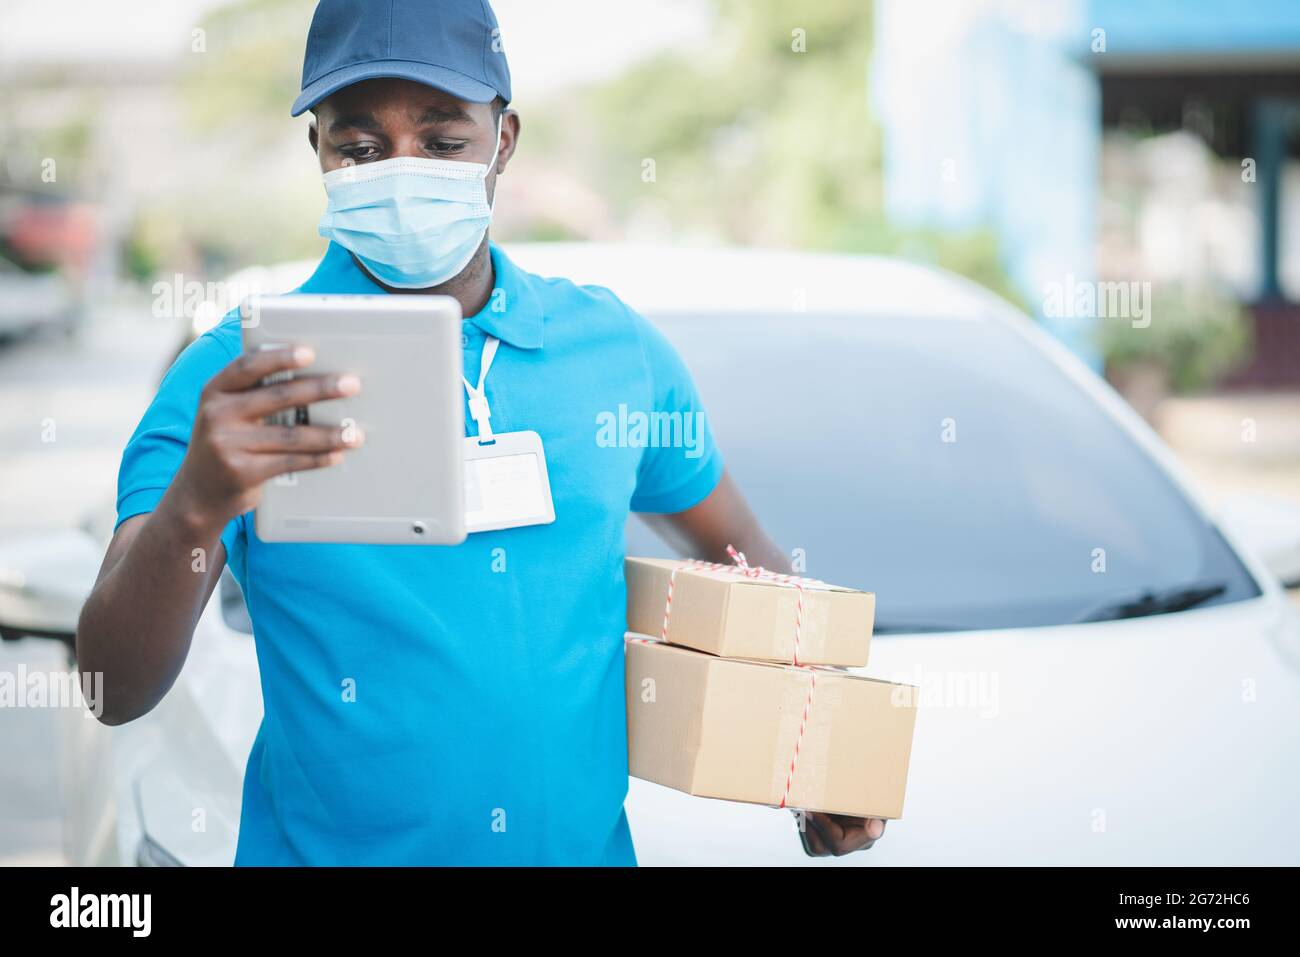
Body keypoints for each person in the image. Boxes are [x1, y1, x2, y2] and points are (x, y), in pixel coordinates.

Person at [76, 0, 886, 865]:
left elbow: (748, 561)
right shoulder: (234, 378)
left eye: (442, 139)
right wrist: (195, 510)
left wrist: (820, 755)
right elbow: (110, 687)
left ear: (503, 140)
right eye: (360, 145)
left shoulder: (617, 351)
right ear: (316, 148)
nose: (401, 169)